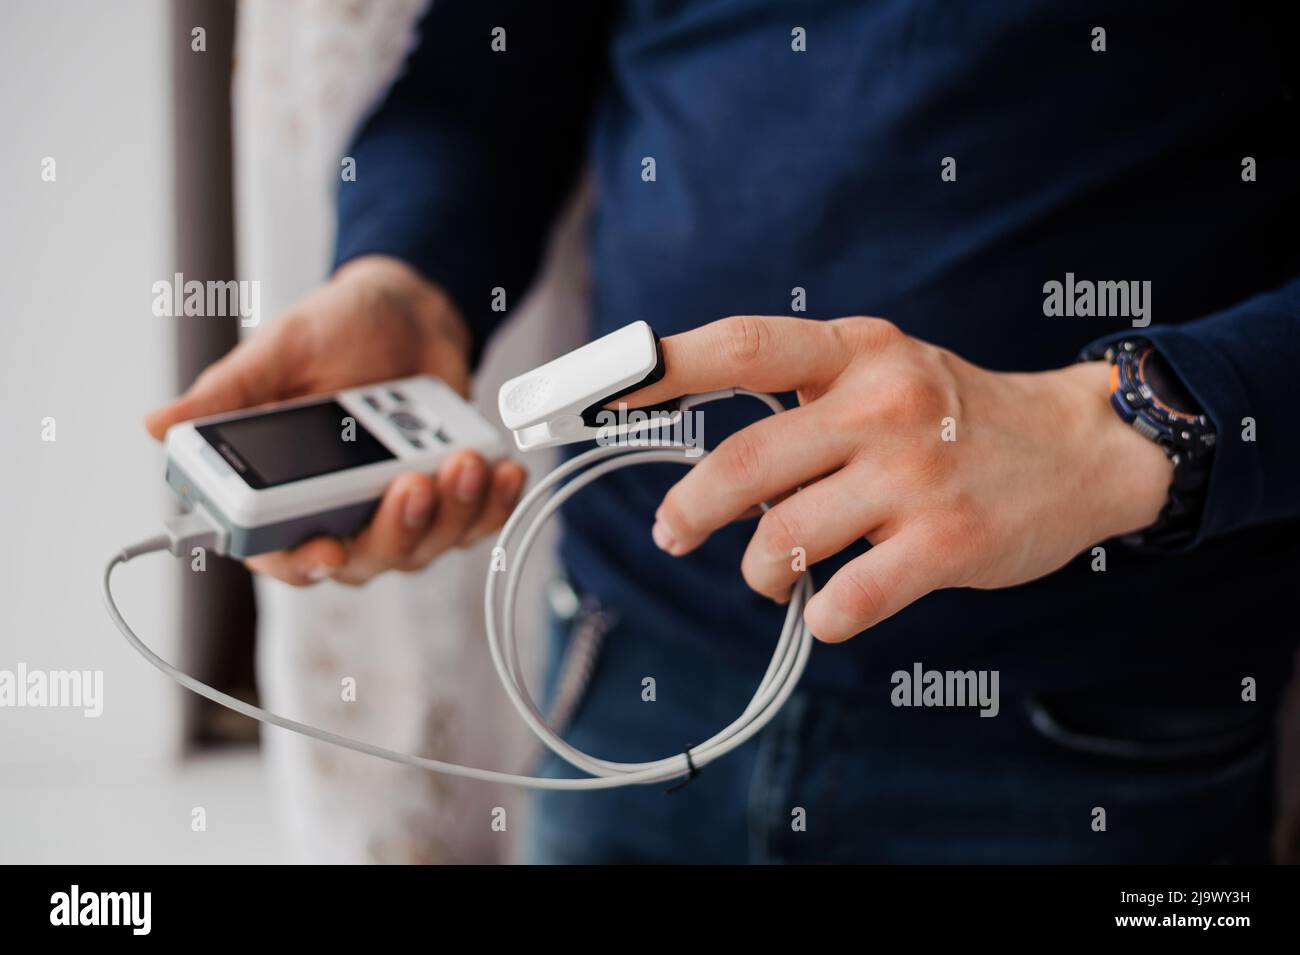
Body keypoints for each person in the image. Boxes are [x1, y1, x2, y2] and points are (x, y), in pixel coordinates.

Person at [147, 2, 1299, 863]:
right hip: (632, 659)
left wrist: (1128, 421)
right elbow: (489, 69)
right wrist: (410, 272)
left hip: (1096, 716)